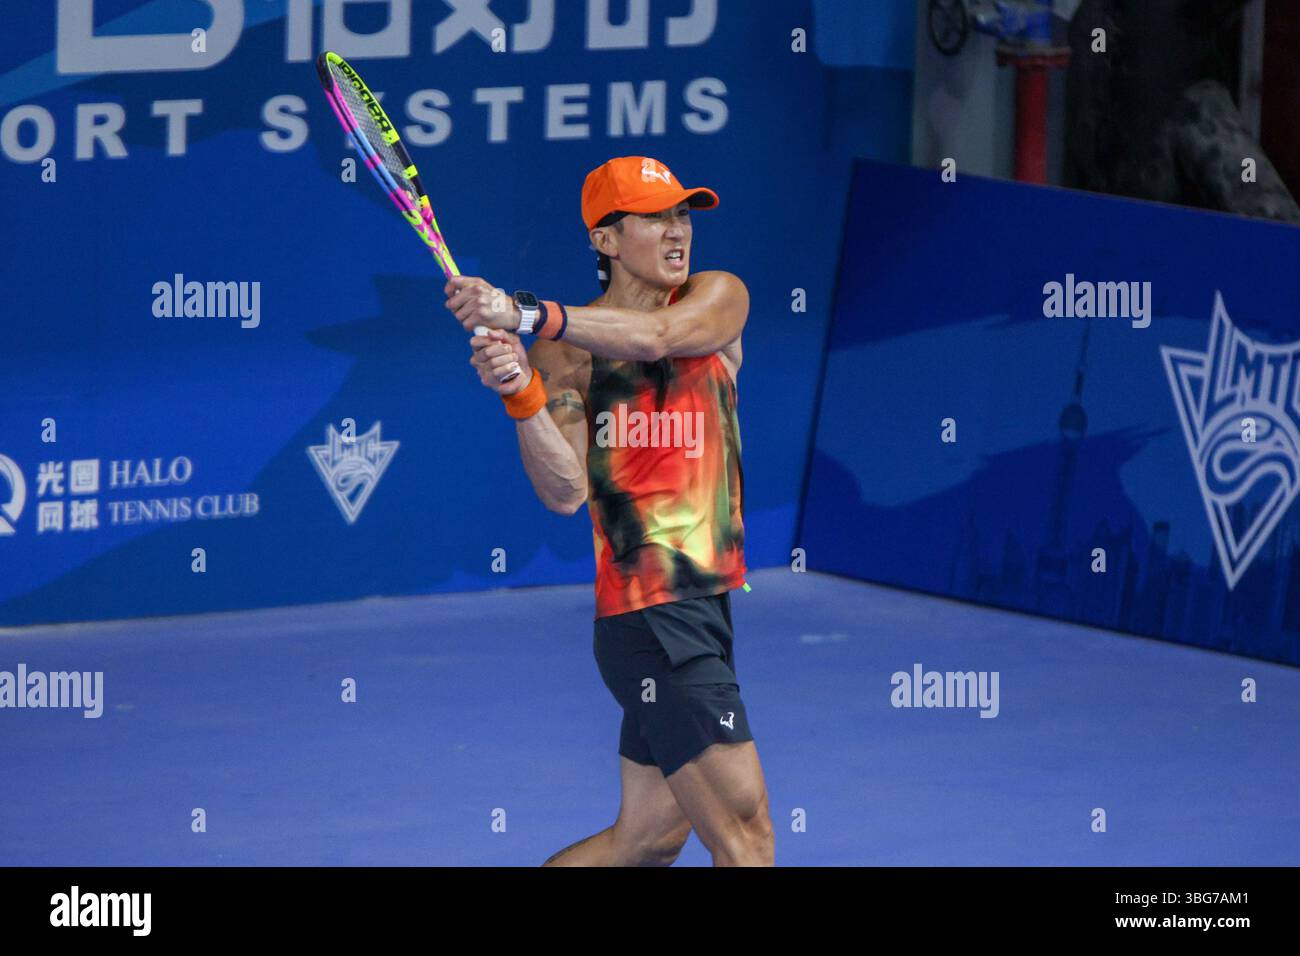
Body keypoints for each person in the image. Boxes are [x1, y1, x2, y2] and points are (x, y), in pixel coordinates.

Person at [443, 156, 773, 867]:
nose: (677, 231)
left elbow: (655, 339)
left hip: (706, 604)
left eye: (682, 214)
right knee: (747, 841)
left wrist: (527, 312)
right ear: (606, 241)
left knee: (646, 842)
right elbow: (564, 492)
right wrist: (522, 395)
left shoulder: (717, 298)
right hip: (651, 614)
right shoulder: (563, 355)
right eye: (654, 218)